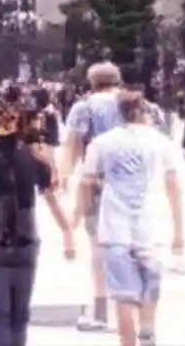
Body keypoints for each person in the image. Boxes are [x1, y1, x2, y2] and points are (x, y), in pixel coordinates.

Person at [0, 96, 75, 346]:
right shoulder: (32, 156)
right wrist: (67, 233)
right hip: (27, 241)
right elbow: (51, 198)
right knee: (19, 317)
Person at [77, 91, 184, 346]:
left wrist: (80, 215)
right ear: (144, 111)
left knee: (124, 296)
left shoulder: (102, 143)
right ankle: (147, 330)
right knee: (150, 285)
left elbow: (87, 182)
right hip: (151, 226)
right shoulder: (161, 142)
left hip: (114, 227)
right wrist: (179, 228)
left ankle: (128, 341)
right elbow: (173, 185)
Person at [62, 61, 125, 332]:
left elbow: (73, 144)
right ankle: (129, 311)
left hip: (97, 182)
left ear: (92, 82)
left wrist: (64, 176)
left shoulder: (84, 107)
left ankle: (101, 312)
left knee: (98, 248)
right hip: (131, 183)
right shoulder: (133, 104)